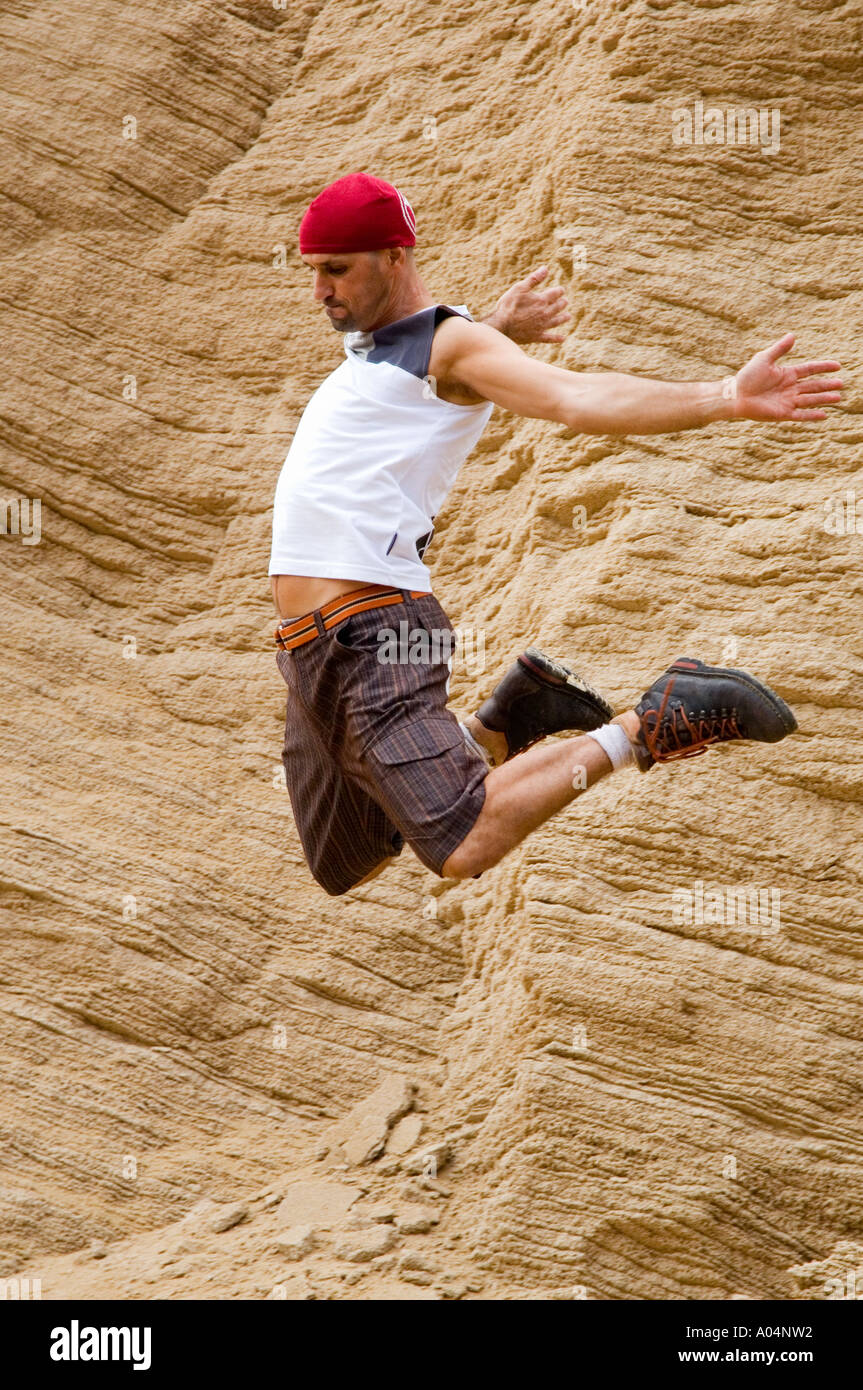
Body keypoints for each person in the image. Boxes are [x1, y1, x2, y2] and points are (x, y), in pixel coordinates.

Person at [269, 172, 842, 895]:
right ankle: (508, 721)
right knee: (345, 856)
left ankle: (653, 721)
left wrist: (723, 397)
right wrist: (497, 327)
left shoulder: (452, 346)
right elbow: (429, 388)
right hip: (309, 651)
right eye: (312, 271)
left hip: (369, 631)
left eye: (335, 269)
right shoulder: (402, 345)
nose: (319, 290)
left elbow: (575, 398)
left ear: (395, 256)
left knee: (461, 839)